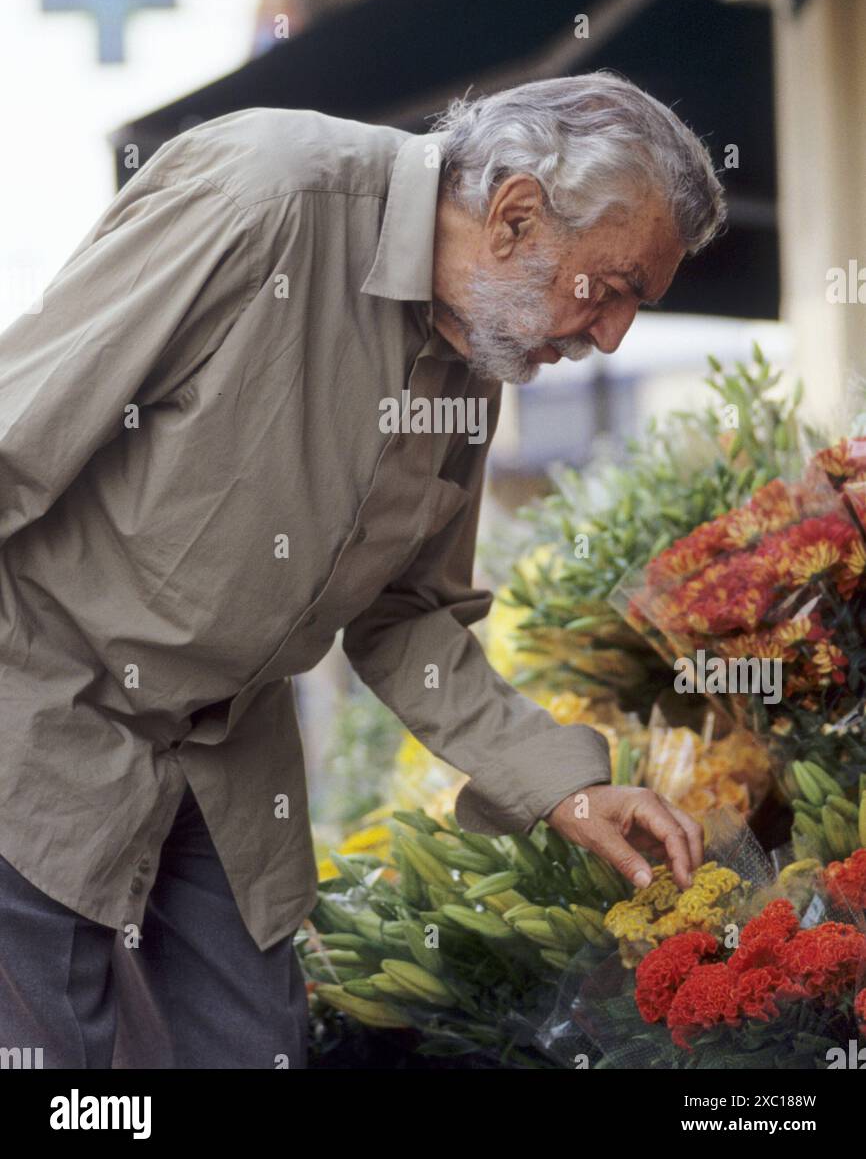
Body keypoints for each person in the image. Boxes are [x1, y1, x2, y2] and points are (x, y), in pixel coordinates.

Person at [0, 72, 720, 1069]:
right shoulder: (265, 194)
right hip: (35, 713)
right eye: (613, 289)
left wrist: (560, 784)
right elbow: (17, 435)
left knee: (260, 1052)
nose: (609, 338)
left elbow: (406, 614)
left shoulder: (478, 354)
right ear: (513, 215)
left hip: (224, 759)